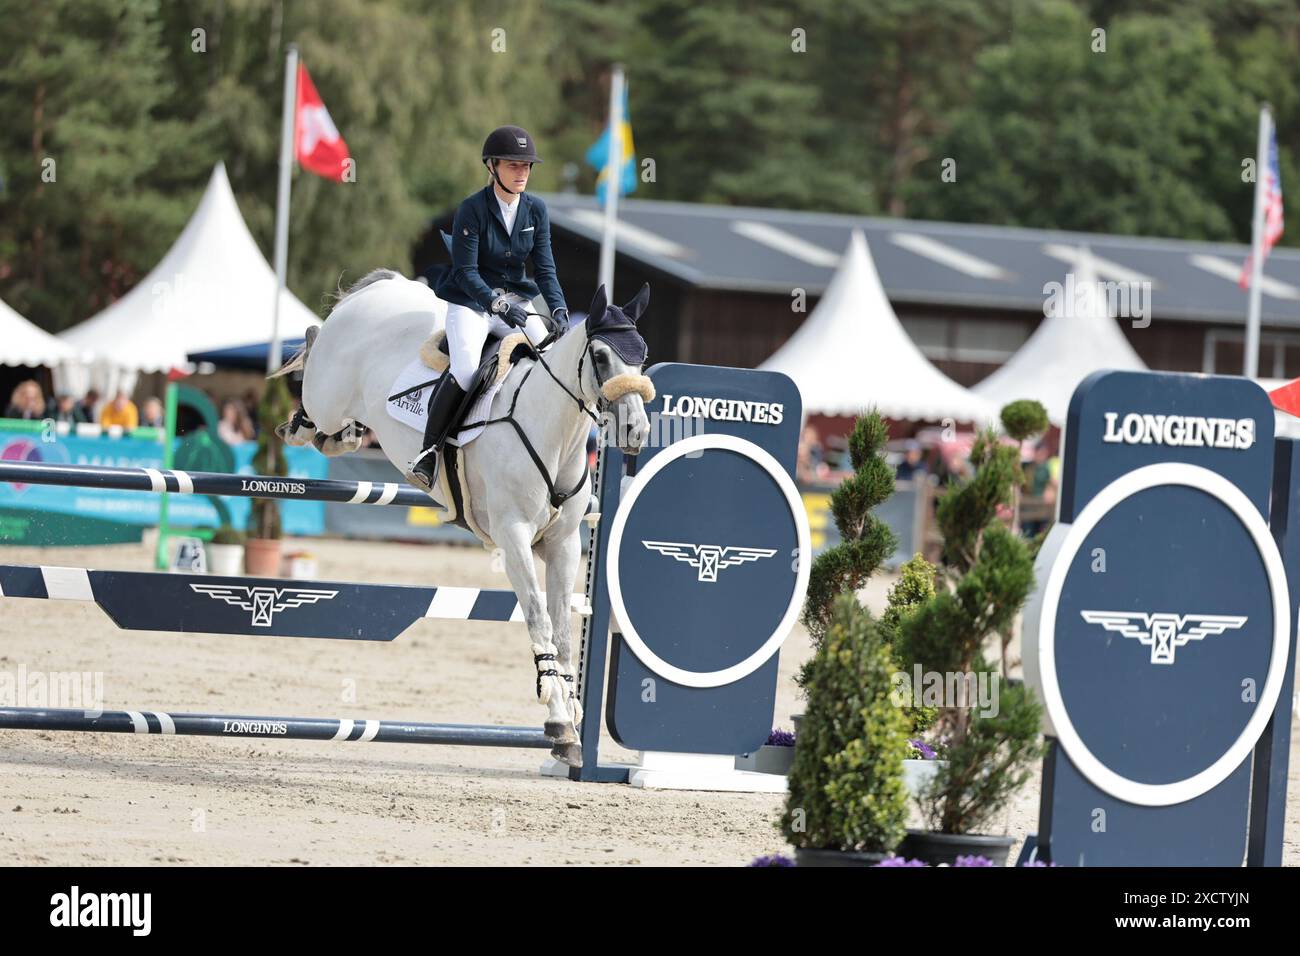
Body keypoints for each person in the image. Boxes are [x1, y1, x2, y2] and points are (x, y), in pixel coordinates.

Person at [408, 125, 569, 490]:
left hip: (517, 300)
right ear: (492, 166)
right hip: (472, 302)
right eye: (514, 165)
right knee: (466, 369)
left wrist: (558, 309)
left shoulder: (536, 210)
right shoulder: (473, 209)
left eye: (527, 166)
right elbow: (465, 272)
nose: (522, 172)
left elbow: (545, 269)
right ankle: (428, 451)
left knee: (549, 360)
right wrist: (495, 303)